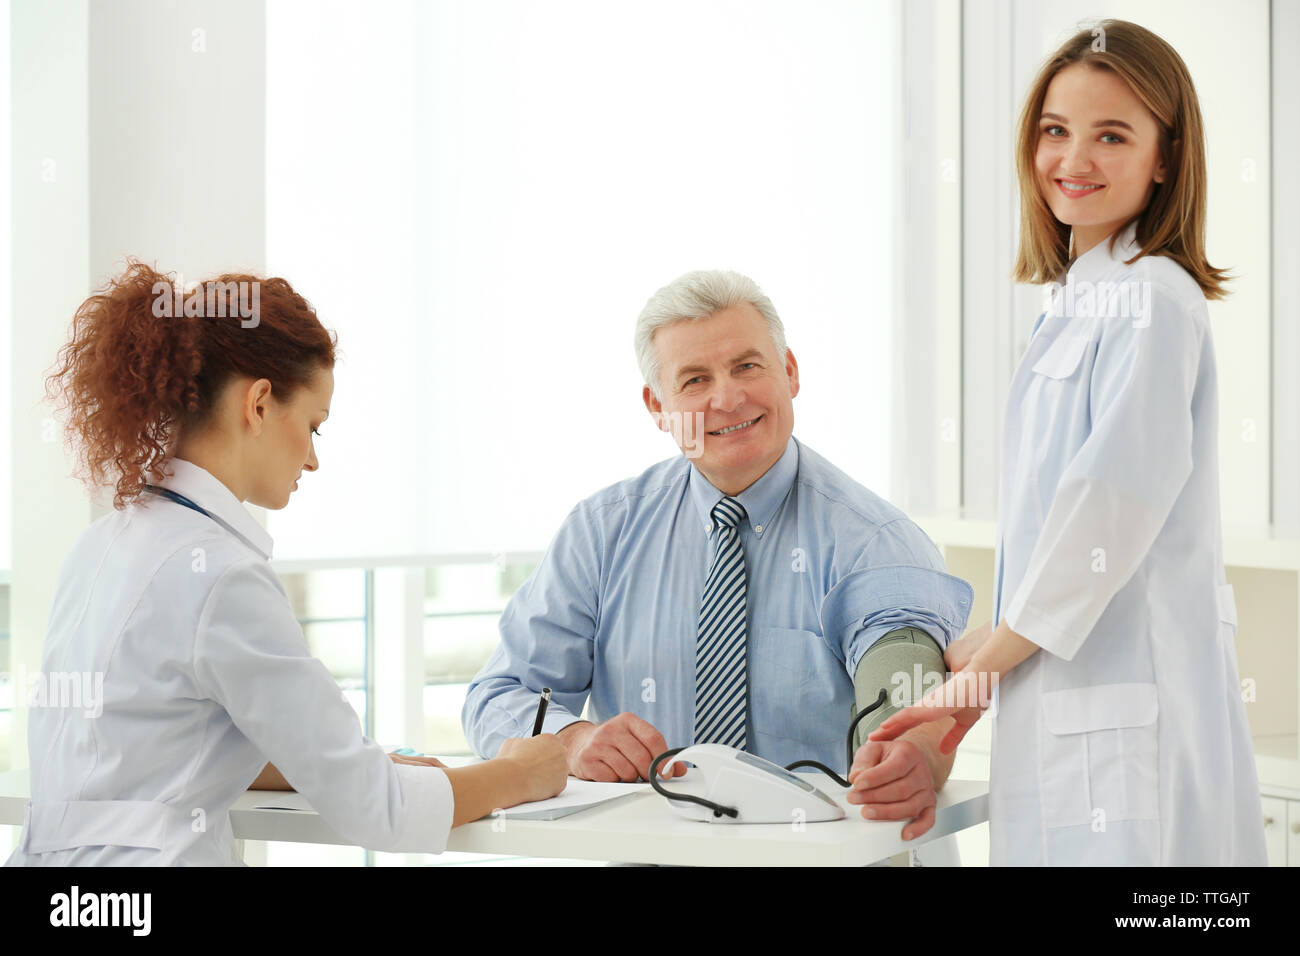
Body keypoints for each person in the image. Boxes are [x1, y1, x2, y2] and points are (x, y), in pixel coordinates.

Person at [6, 262, 566, 866]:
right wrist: (520, 773)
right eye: (313, 425)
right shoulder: (219, 575)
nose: (314, 459)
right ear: (260, 403)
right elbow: (381, 810)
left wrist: (344, 764)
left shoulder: (103, 543)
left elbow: (155, 745)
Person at [868, 20, 1267, 865]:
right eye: (1056, 131)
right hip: (1082, 716)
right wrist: (988, 655)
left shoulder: (1150, 298)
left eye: (1111, 135)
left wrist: (980, 673)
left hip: (1130, 737)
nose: (1072, 159)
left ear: (1166, 156)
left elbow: (1108, 511)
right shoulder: (1081, 299)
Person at [463, 269, 973, 842]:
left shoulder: (874, 539)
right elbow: (497, 694)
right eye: (695, 380)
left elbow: (908, 696)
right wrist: (571, 740)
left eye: (747, 366)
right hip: (653, 856)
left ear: (791, 373)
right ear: (658, 406)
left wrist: (911, 753)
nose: (728, 397)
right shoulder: (601, 534)